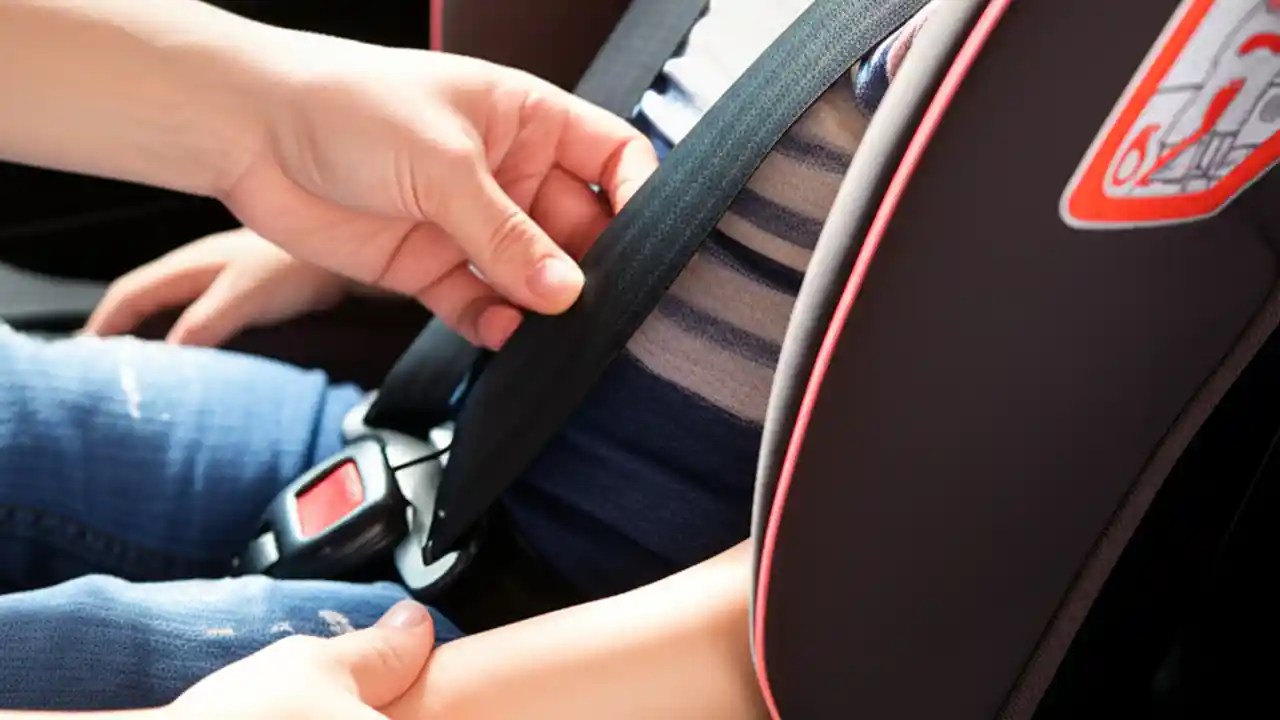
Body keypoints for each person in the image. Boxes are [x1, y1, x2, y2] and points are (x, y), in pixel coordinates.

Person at [0, 0, 937, 717]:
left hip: (581, 660)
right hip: (436, 437)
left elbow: (888, 581)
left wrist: (427, 701)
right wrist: (369, 227)